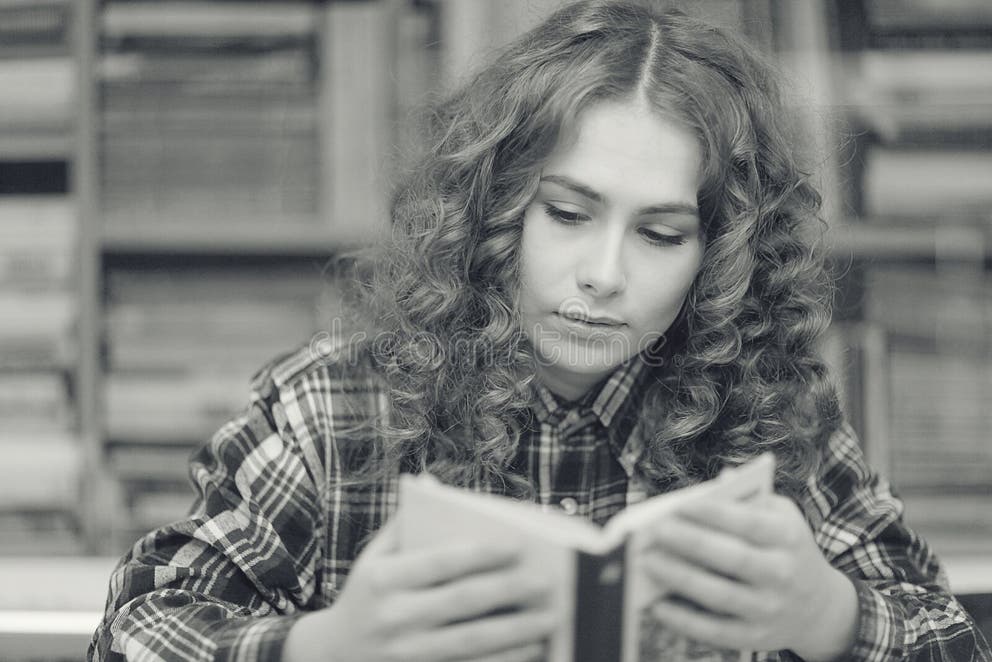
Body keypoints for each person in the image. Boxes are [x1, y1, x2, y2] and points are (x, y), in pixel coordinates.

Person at [89, 1, 992, 660]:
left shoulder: (776, 417)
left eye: (661, 234)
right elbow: (132, 634)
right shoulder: (334, 408)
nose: (604, 272)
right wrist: (325, 647)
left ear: (718, 256)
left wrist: (831, 618)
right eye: (567, 213)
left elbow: (948, 634)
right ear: (496, 210)